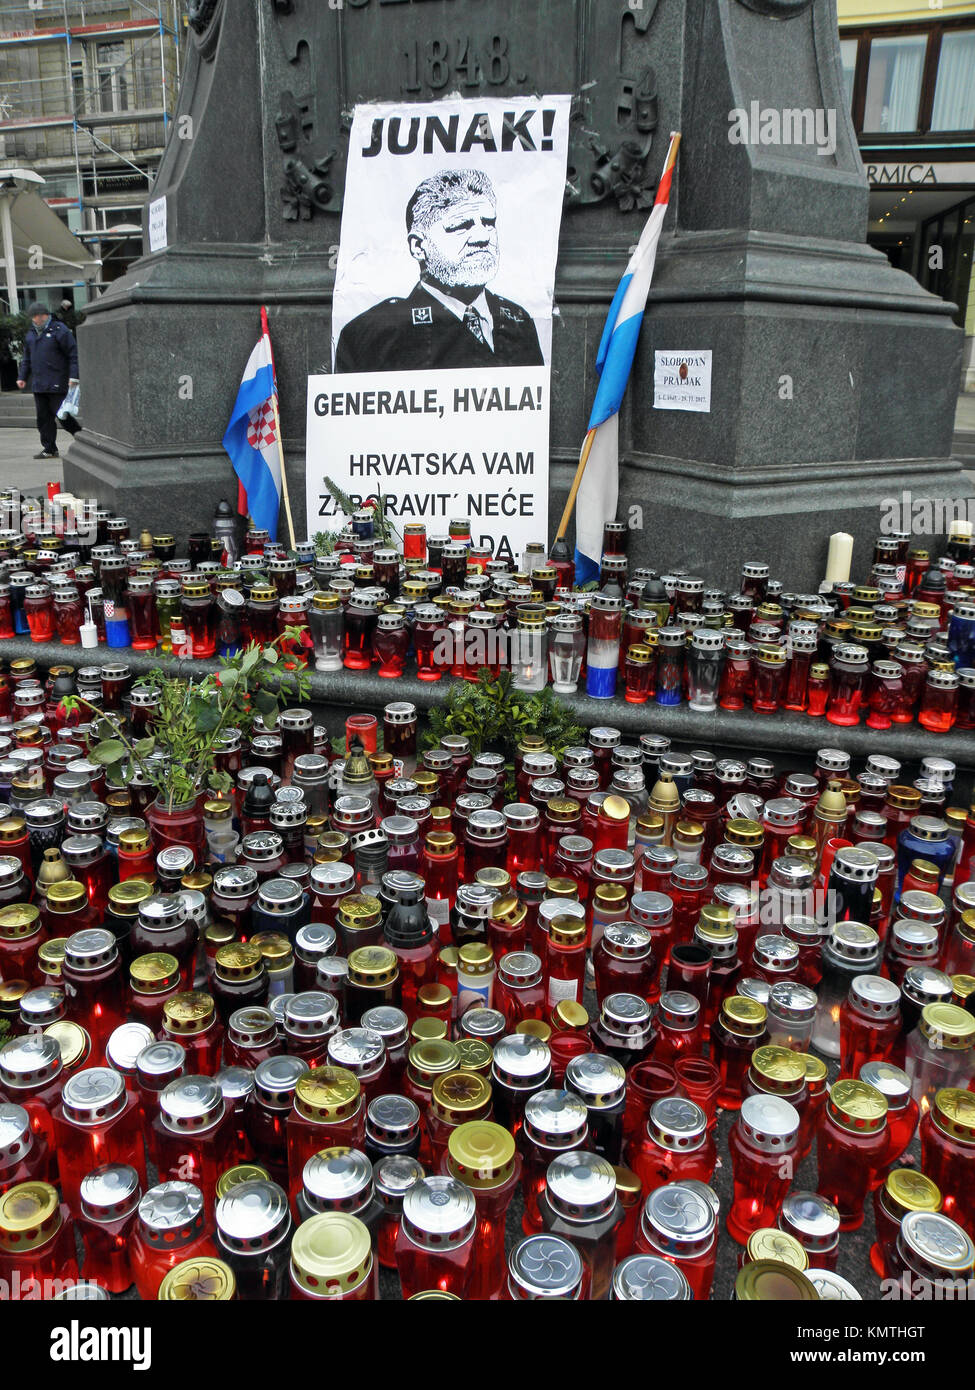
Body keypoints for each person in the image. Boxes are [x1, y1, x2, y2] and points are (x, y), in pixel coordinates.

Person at [334, 168, 543, 374]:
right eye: (462, 226)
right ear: (418, 246)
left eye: (489, 223)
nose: (483, 237)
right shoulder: (373, 334)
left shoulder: (517, 320)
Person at [16, 301, 81, 459]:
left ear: (42, 315)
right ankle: (49, 448)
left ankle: (82, 438)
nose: (33, 320)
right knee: (43, 418)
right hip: (39, 383)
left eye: (34, 317)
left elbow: (73, 355)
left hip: (57, 381)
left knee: (62, 416)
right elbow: (27, 358)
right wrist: (22, 377)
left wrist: (74, 376)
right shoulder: (31, 333)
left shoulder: (60, 330)